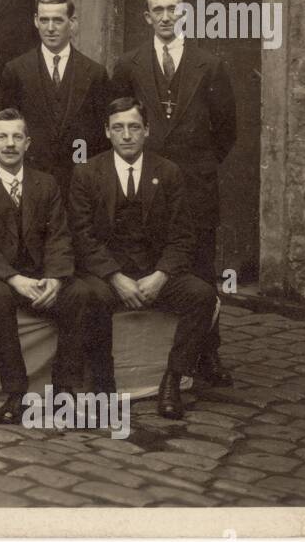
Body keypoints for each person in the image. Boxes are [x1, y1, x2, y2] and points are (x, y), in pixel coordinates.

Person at [110, 0, 236, 387]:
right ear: (147, 17)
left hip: (195, 187)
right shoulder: (128, 65)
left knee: (200, 272)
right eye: (157, 10)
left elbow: (226, 130)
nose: (166, 16)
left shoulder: (210, 65)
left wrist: (193, 168)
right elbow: (120, 126)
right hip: (146, 187)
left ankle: (207, 354)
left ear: (186, 14)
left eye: (173, 9)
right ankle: (149, 358)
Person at [68, 97, 219, 419]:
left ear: (147, 131)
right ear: (107, 132)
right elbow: (82, 238)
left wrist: (161, 275)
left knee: (203, 295)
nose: (126, 135)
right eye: (118, 128)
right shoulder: (88, 173)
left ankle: (172, 380)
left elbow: (182, 235)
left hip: (153, 271)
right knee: (89, 296)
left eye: (134, 127)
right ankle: (103, 388)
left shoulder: (167, 172)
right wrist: (114, 277)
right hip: (109, 273)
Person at [0, 109, 101, 423]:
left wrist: (54, 278)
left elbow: (58, 235)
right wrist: (13, 279)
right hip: (2, 278)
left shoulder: (46, 183)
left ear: (28, 143)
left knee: (79, 292)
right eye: (2, 137)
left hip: (40, 274)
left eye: (16, 137)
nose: (9, 144)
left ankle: (64, 389)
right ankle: (15, 391)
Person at [0, 0, 110, 199]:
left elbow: (100, 137)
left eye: (58, 20)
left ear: (72, 23)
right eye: (44, 20)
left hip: (78, 181)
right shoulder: (16, 70)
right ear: (35, 21)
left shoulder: (94, 73)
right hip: (31, 180)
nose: (50, 28)